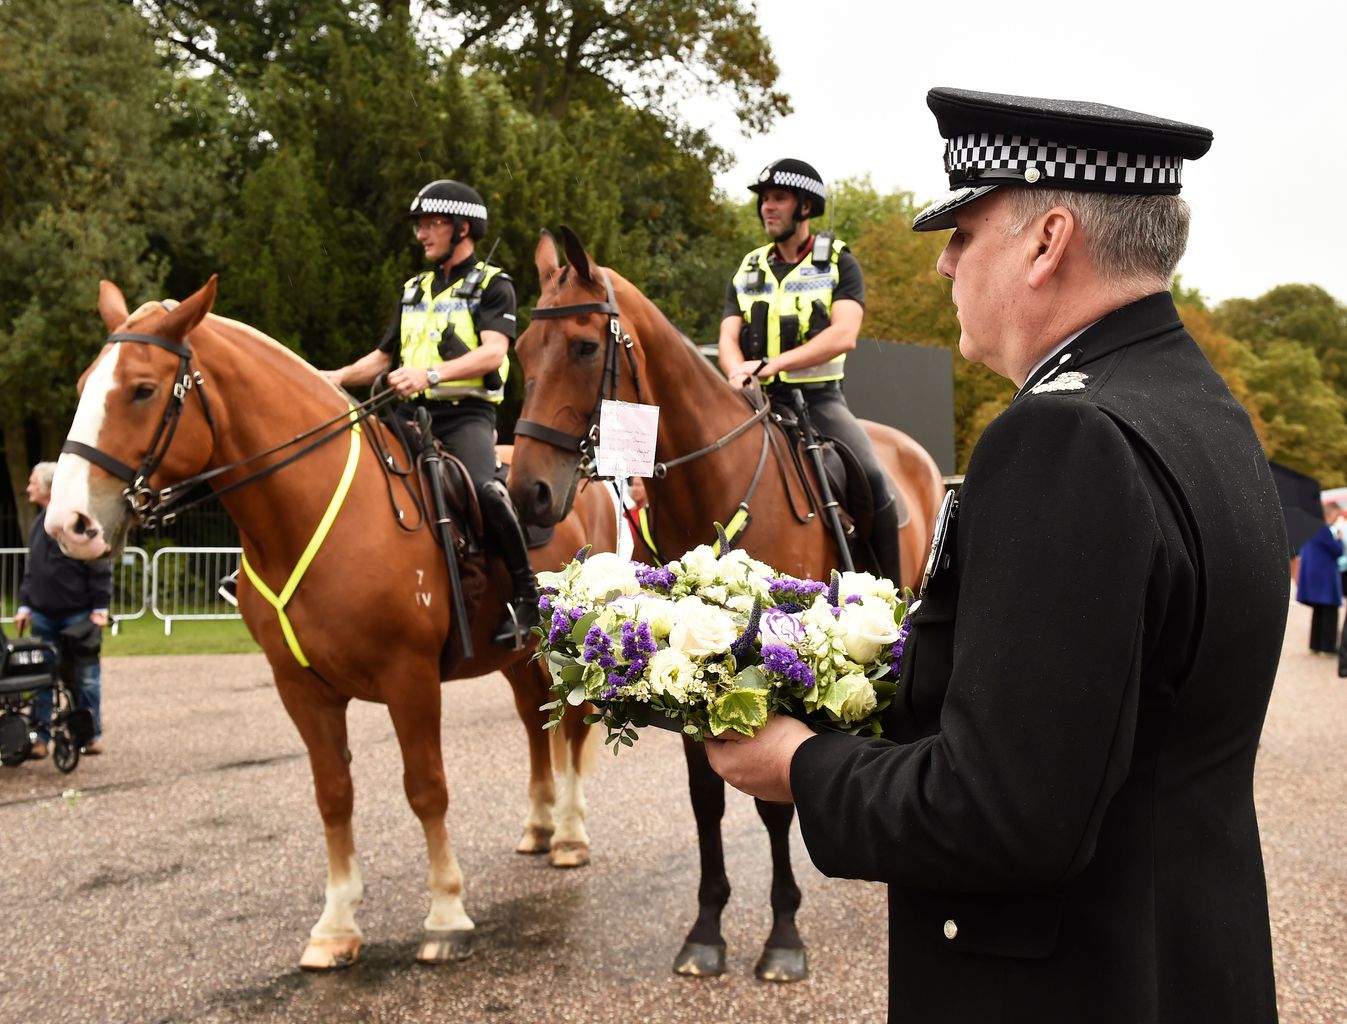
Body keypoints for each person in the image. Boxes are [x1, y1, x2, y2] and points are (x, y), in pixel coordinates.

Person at [706, 88, 1288, 1023]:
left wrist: (798, 763)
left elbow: (1000, 811)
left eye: (962, 234)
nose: (940, 263)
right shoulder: (1203, 409)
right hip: (1182, 961)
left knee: (868, 484)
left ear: (1047, 241)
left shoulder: (1062, 438)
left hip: (1065, 985)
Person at [321, 179, 538, 647]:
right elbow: (382, 359)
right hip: (406, 415)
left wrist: (430, 375)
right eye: (419, 225)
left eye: (430, 224)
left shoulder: (493, 285)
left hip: (466, 417)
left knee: (486, 489)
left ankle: (526, 595)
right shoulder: (413, 288)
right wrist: (333, 377)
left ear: (462, 228)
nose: (421, 233)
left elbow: (492, 353)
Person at [717, 157, 903, 585]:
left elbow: (844, 335)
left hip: (818, 401)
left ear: (804, 206)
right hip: (753, 401)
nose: (767, 207)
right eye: (764, 200)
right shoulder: (747, 269)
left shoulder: (838, 263)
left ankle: (894, 599)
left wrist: (773, 364)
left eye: (778, 198)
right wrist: (736, 373)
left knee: (875, 482)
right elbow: (728, 337)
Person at [13, 462, 111, 758]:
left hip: (78, 615)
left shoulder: (79, 521)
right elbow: (34, 570)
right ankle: (40, 738)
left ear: (49, 487)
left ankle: (88, 735)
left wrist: (99, 608)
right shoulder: (39, 523)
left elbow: (99, 565)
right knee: (41, 677)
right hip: (43, 614)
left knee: (85, 677)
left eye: (33, 482)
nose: (28, 488)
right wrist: (25, 605)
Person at [1297, 504, 1343, 654]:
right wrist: (1339, 539)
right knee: (1329, 612)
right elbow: (1337, 550)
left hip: (1314, 576)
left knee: (1318, 612)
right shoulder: (1323, 530)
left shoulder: (1310, 528)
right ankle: (1327, 646)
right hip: (1325, 577)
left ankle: (1315, 644)